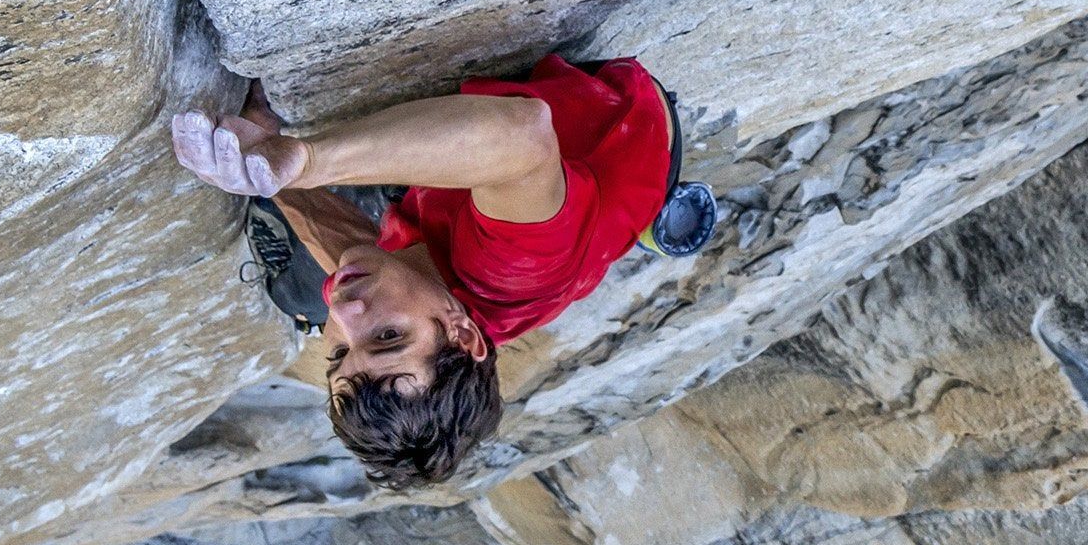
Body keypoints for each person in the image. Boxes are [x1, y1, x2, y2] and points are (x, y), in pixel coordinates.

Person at [172, 55, 704, 488]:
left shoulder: (411, 308)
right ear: (464, 332)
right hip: (619, 123)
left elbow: (349, 252)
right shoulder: (513, 268)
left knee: (319, 294)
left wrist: (265, 170)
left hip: (500, 227)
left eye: (338, 355)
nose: (348, 315)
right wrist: (306, 159)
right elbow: (522, 133)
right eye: (386, 337)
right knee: (320, 285)